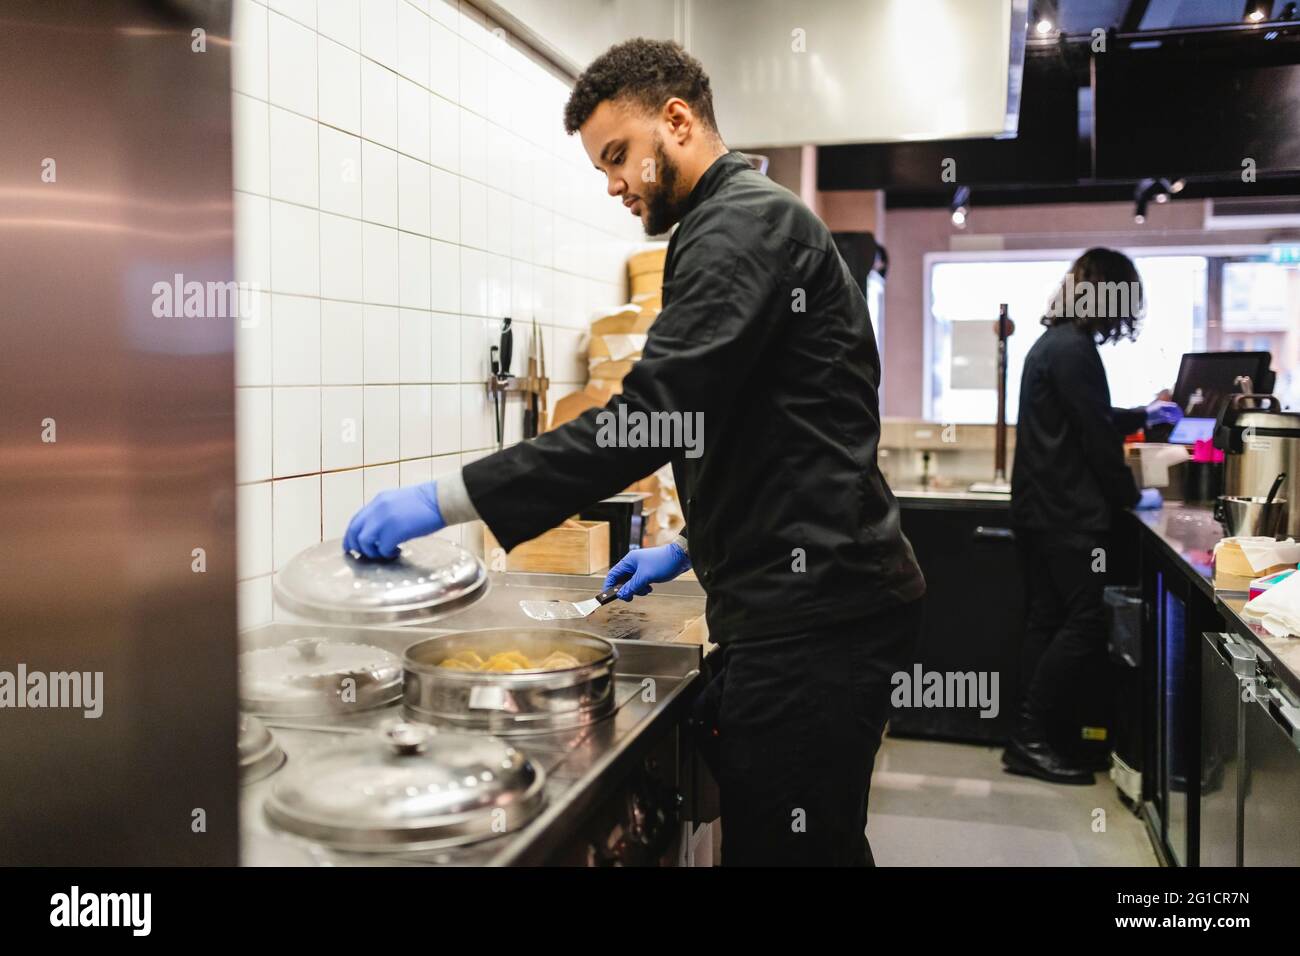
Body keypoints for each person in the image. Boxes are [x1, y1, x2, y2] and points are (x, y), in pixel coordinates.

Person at [342, 38, 924, 865]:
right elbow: (783, 436)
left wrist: (445, 499)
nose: (614, 184)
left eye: (619, 156)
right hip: (817, 603)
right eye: (601, 168)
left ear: (677, 120)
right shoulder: (737, 223)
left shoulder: (738, 225)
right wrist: (687, 548)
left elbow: (649, 417)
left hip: (814, 622)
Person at [1005, 248, 1175, 785]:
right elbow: (1097, 439)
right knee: (1083, 622)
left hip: (1041, 513)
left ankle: (1033, 740)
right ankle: (1031, 739)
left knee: (1046, 621)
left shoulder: (1053, 343)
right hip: (1070, 518)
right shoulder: (1075, 349)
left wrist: (1145, 414)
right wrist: (1133, 496)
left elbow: (1088, 415)